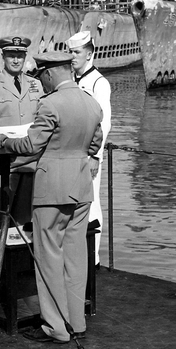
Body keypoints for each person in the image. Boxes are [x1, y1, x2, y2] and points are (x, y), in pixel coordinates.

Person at [0, 51, 103, 344]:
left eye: (41, 75)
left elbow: (31, 143)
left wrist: (4, 143)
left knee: (48, 256)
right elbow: (96, 142)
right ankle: (76, 322)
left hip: (51, 189)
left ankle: (56, 327)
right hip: (81, 187)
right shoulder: (91, 103)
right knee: (76, 256)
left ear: (51, 73)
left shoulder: (51, 104)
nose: (40, 81)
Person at [0, 36, 41, 229]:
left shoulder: (35, 84)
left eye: (20, 56)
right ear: (3, 56)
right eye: (11, 55)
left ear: (25, 57)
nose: (15, 60)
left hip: (28, 162)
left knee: (24, 221)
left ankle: (19, 259)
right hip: (1, 163)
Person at [67, 31, 111, 266]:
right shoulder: (74, 81)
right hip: (73, 154)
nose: (72, 56)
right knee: (75, 203)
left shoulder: (98, 83)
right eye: (71, 52)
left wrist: (95, 155)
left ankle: (93, 257)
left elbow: (104, 122)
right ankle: (78, 253)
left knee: (92, 203)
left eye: (76, 52)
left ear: (89, 54)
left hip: (89, 155)